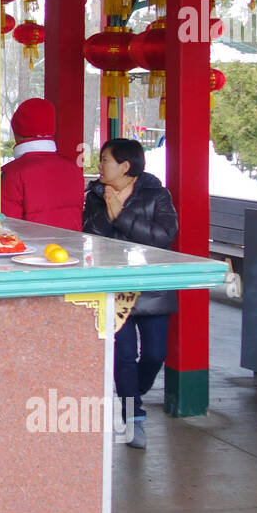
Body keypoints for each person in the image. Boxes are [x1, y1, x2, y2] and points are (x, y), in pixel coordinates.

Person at [82, 138, 179, 450]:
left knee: (154, 354)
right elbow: (88, 236)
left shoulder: (157, 194)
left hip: (151, 288)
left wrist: (121, 216)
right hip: (113, 287)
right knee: (123, 356)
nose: (100, 165)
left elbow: (164, 237)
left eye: (105, 160)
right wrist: (108, 216)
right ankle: (133, 417)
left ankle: (130, 394)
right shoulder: (95, 195)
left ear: (125, 167)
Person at [1, 98, 84, 230]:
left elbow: (7, 227)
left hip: (32, 250)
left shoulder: (12, 173)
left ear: (16, 131)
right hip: (70, 249)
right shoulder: (74, 170)